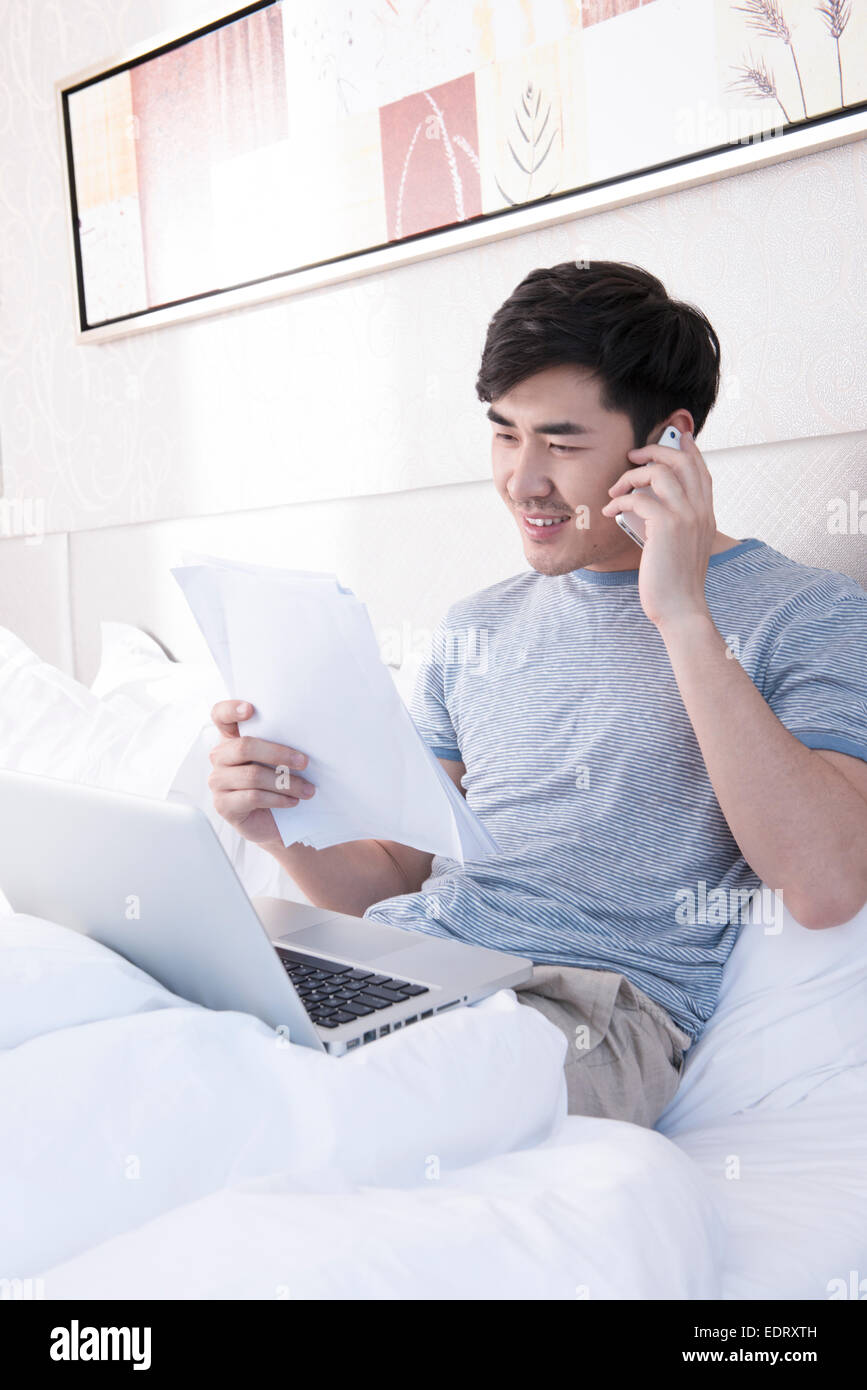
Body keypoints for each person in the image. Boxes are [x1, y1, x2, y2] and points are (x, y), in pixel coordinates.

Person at [207, 261, 867, 1127]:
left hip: (584, 1014)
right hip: (406, 961)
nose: (522, 480)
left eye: (559, 443)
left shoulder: (809, 613)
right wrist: (278, 825)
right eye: (503, 434)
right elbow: (388, 878)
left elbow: (825, 885)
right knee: (145, 1029)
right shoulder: (475, 624)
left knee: (313, 1110)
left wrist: (678, 611)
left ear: (666, 445)